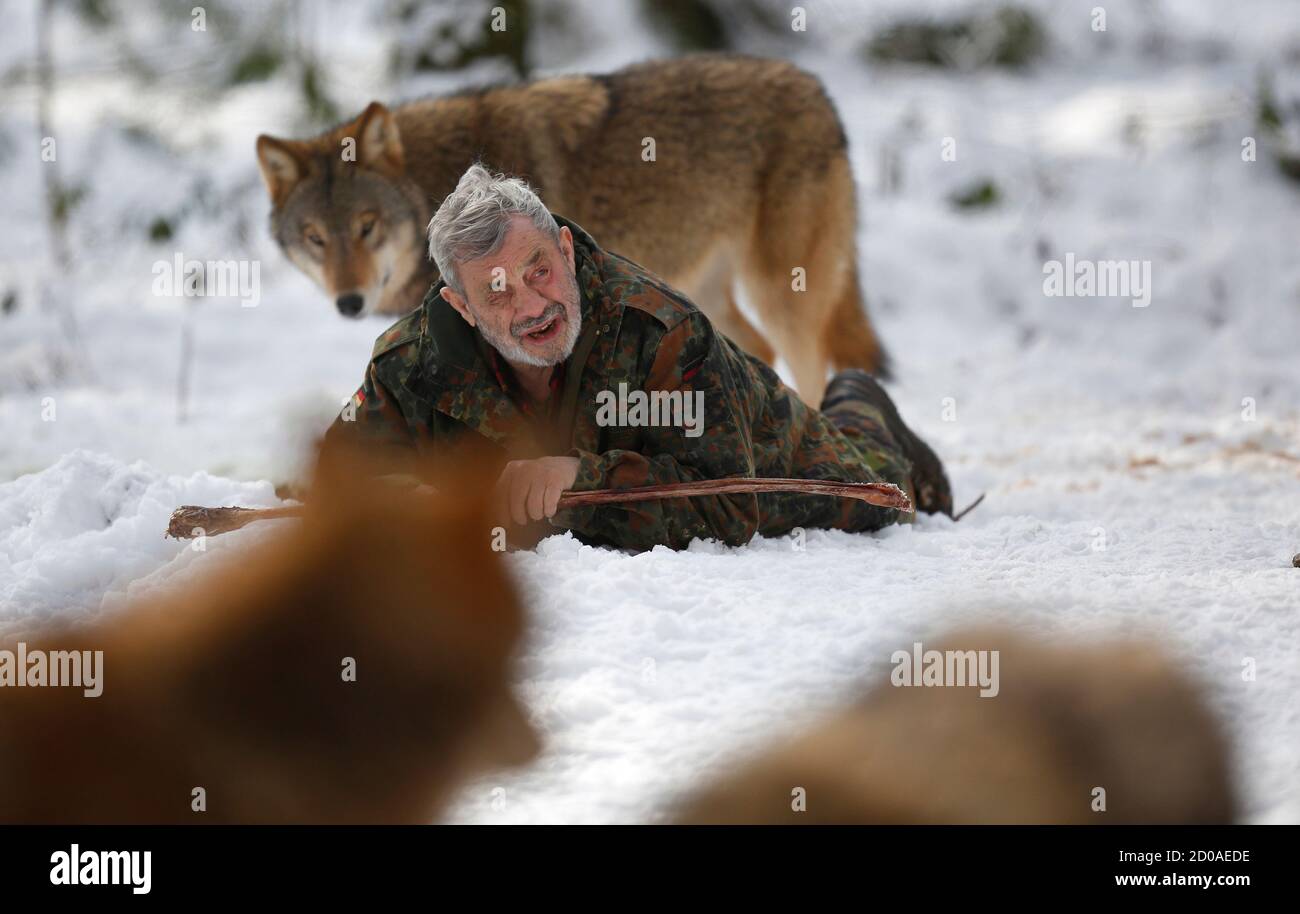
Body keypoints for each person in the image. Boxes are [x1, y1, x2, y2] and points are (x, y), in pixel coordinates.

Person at [326, 164, 952, 550]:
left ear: (566, 250)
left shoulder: (661, 331)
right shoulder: (409, 360)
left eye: (538, 270)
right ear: (460, 307)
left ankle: (857, 400)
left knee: (877, 493)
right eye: (497, 292)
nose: (531, 306)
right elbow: (337, 472)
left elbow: (730, 506)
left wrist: (578, 479)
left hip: (776, 444)